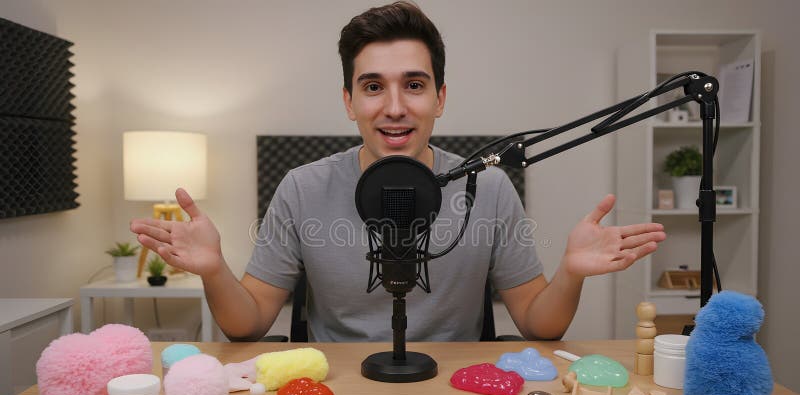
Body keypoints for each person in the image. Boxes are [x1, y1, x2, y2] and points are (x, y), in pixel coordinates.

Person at [130, 1, 665, 342]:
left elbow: (538, 325)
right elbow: (246, 326)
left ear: (440, 98)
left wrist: (570, 272)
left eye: (413, 85)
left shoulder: (489, 187)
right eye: (372, 87)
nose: (394, 108)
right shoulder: (302, 188)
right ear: (349, 101)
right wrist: (214, 270)